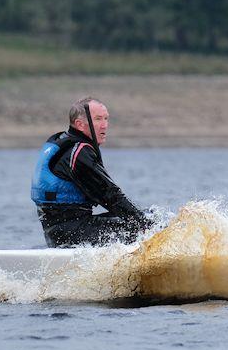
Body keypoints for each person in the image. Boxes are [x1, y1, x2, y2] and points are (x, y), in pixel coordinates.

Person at [31, 97, 152, 247]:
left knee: (146, 216)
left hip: (62, 231)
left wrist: (142, 219)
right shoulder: (78, 154)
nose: (105, 125)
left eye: (106, 119)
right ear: (80, 125)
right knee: (146, 225)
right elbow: (110, 195)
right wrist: (146, 225)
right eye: (98, 119)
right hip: (72, 235)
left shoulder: (65, 141)